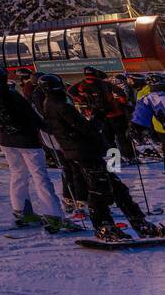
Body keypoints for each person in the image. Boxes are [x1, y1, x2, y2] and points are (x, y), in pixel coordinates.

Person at [39, 73, 162, 241]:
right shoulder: (61, 105)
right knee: (100, 190)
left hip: (80, 150)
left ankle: (139, 223)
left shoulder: (53, 103)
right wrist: (99, 116)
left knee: (117, 188)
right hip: (83, 151)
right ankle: (104, 226)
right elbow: (85, 128)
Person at [0, 65, 68, 231]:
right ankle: (54, 215)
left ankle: (21, 211)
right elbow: (30, 115)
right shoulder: (11, 94)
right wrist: (48, 128)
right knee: (40, 176)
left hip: (5, 140)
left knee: (18, 174)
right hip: (27, 139)